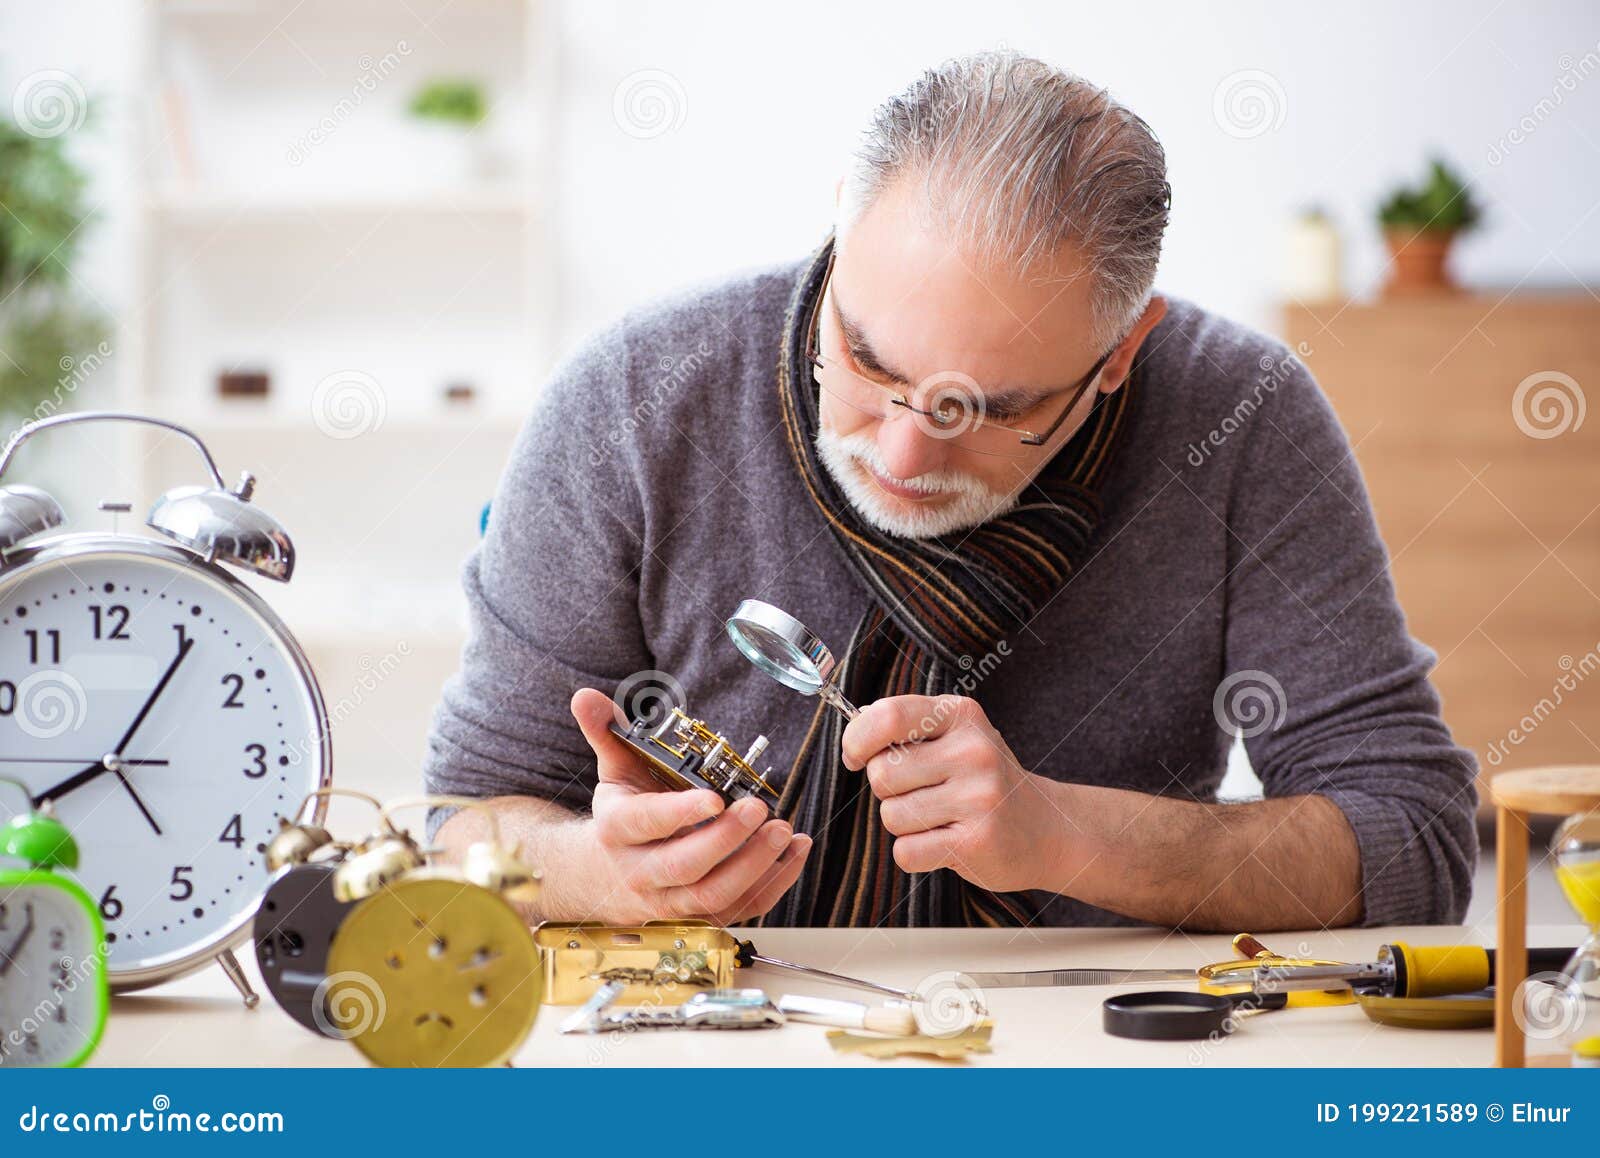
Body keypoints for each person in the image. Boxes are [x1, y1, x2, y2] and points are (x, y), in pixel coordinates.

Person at [424, 51, 1477, 931]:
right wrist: (596, 874)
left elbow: (1413, 839)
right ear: (841, 226)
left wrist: (1062, 834)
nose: (902, 457)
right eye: (868, 362)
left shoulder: (1240, 418)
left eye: (979, 409)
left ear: (1121, 353)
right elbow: (461, 818)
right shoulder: (632, 399)